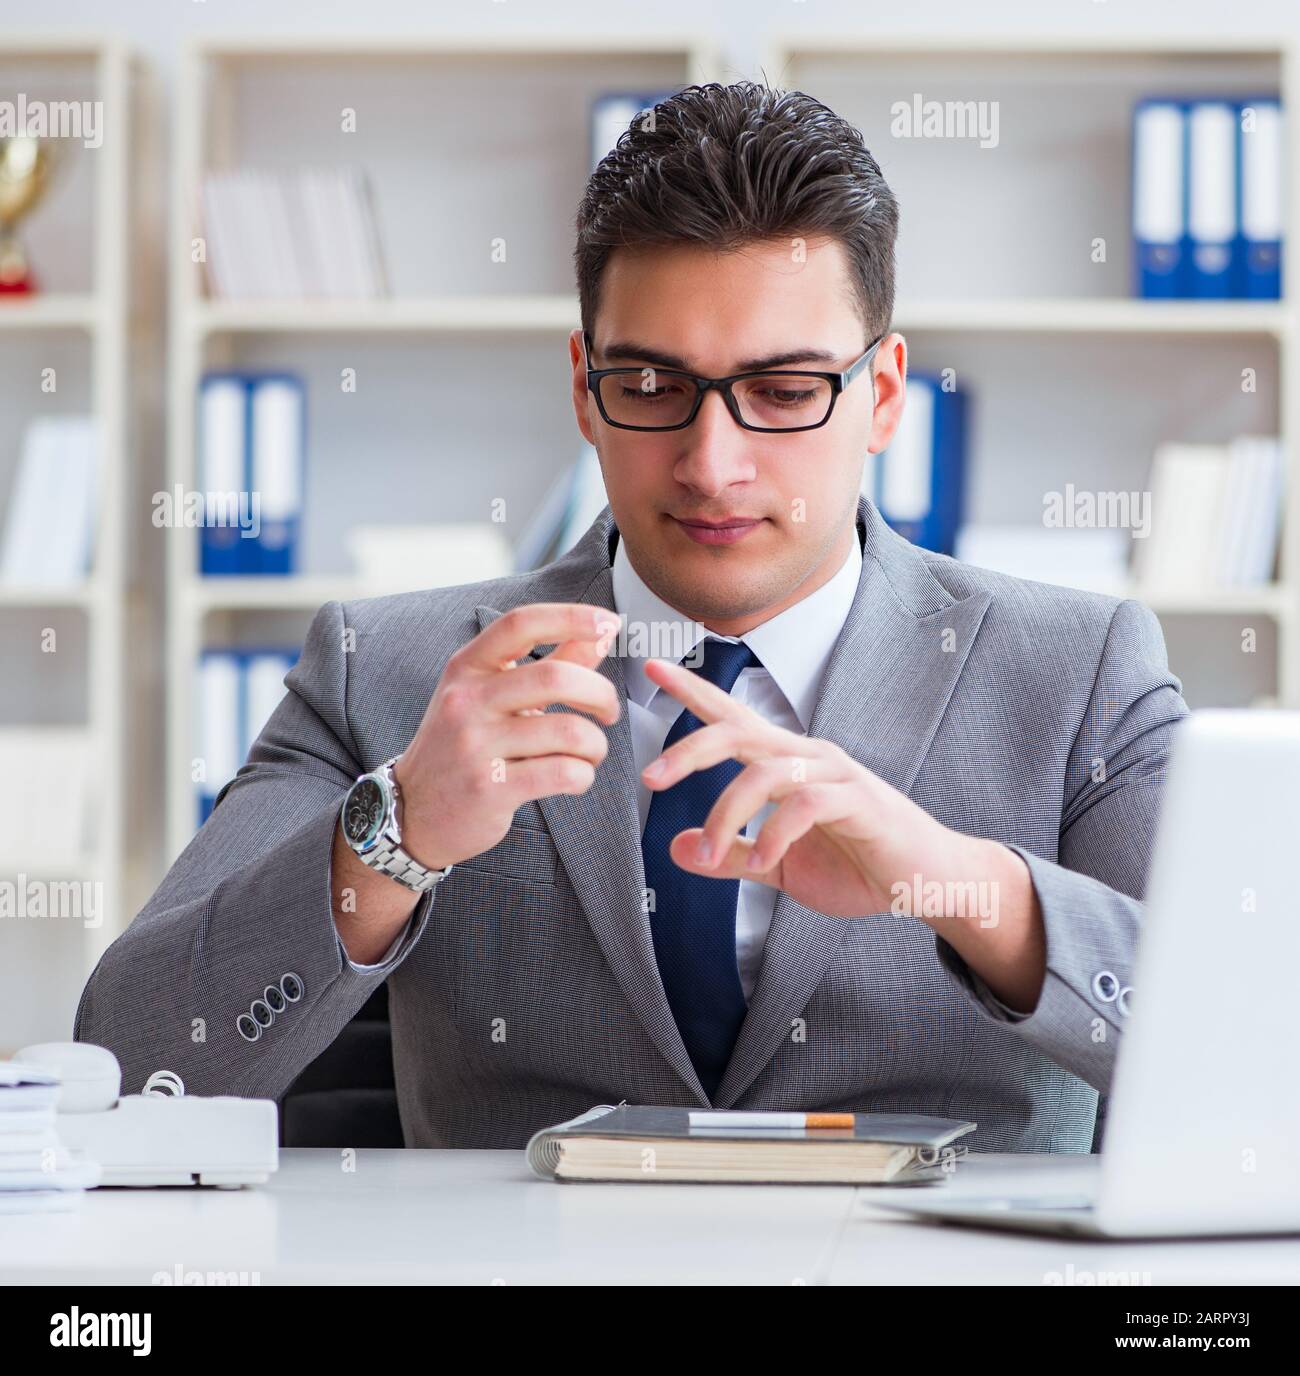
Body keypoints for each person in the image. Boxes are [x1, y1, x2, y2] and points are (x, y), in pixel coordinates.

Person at [76, 81, 1186, 1152]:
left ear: (882, 395)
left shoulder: (1077, 672)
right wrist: (396, 833)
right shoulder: (389, 671)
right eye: (652, 386)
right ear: (582, 386)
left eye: (786, 390)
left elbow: (1250, 1055)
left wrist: (961, 883)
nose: (712, 464)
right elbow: (129, 1068)